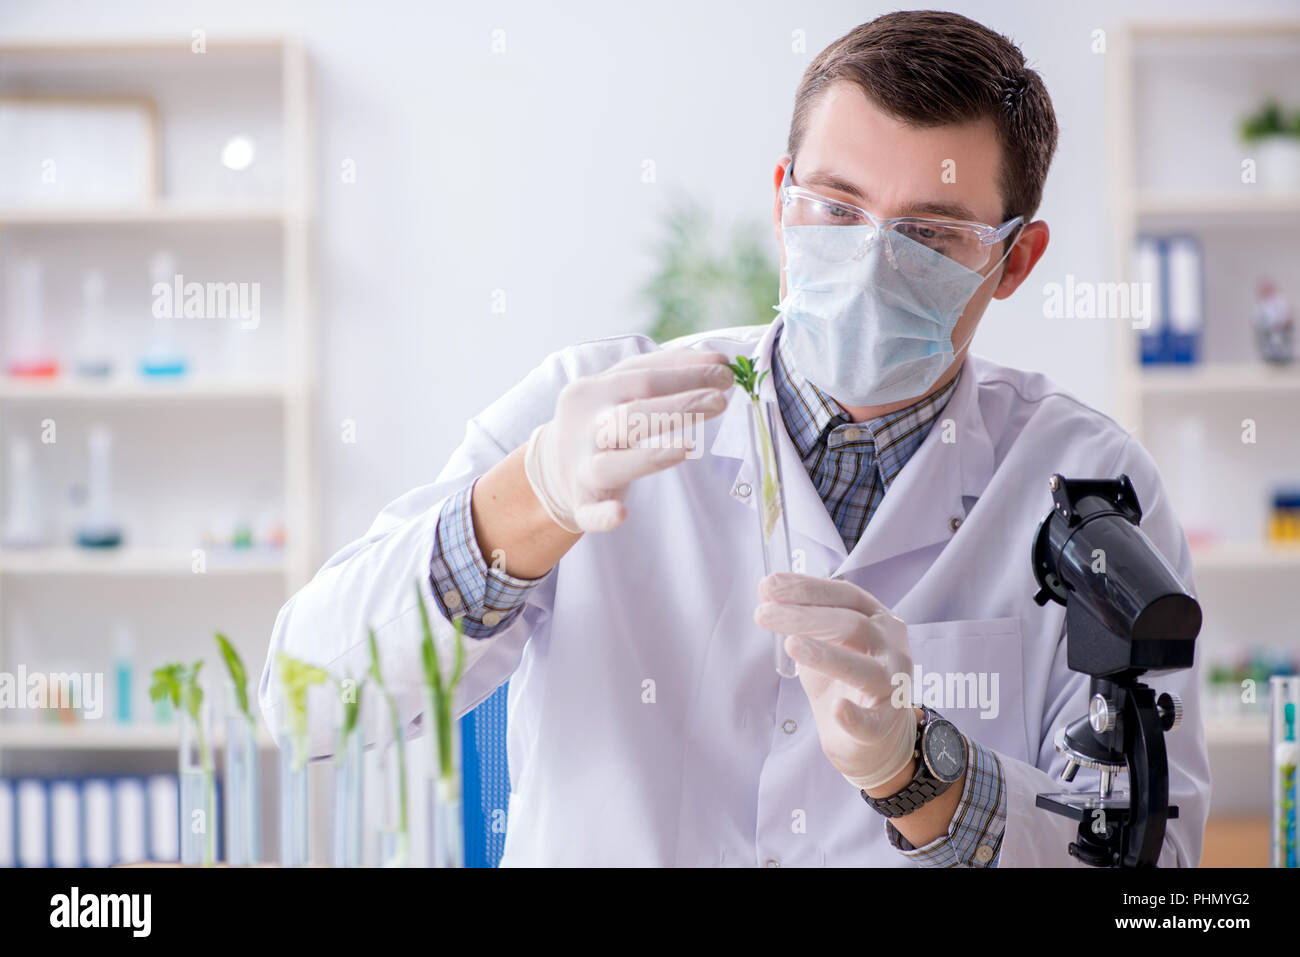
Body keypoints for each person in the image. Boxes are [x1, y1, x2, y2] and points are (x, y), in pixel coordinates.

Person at [260, 9, 1209, 867]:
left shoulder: (1092, 485)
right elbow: (302, 706)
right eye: (837, 209)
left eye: (932, 231)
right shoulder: (586, 408)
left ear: (1014, 260)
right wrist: (529, 502)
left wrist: (923, 774)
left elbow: (1152, 879)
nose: (875, 261)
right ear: (781, 202)